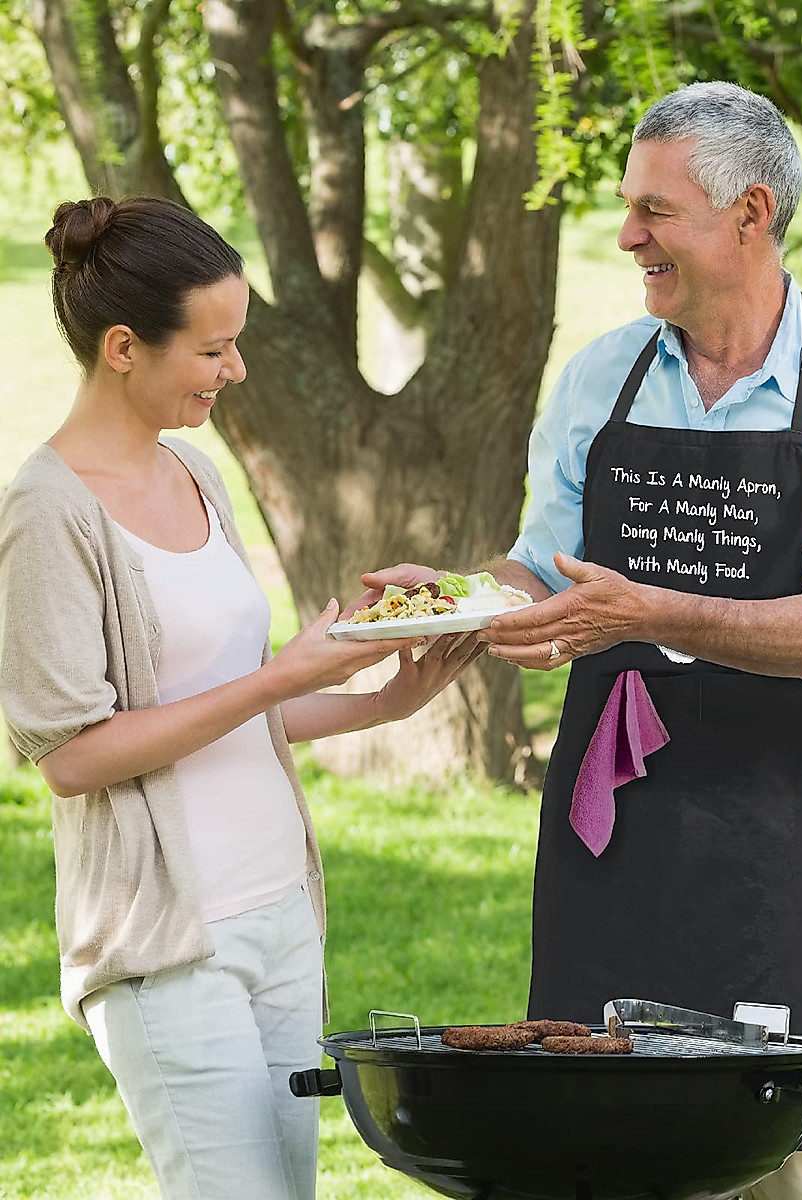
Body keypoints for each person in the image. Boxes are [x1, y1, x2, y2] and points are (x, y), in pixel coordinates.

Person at [360, 81, 802, 1198]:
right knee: (599, 1142)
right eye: (629, 207)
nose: (627, 237)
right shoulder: (600, 376)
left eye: (655, 211)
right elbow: (542, 562)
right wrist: (465, 599)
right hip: (621, 838)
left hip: (786, 836)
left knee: (792, 1165)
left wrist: (652, 614)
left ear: (751, 213)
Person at [0, 196, 482, 1200]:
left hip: (277, 914)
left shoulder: (194, 474)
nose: (237, 371)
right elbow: (73, 757)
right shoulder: (45, 515)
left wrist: (381, 700)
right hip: (168, 945)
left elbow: (235, 717)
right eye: (213, 350)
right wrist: (283, 673)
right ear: (125, 346)